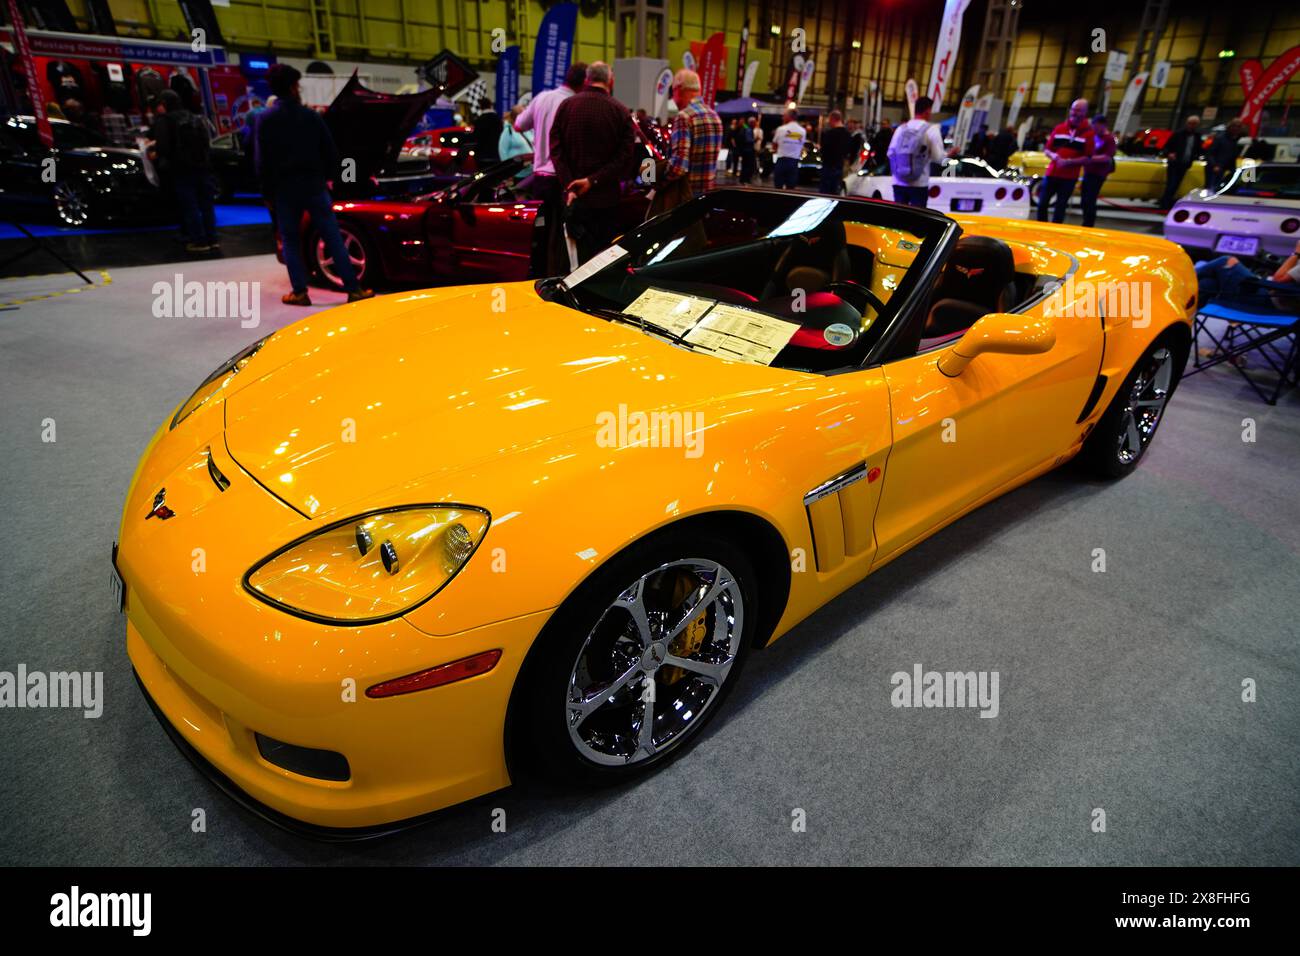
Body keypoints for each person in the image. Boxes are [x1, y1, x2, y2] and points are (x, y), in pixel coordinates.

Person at [257, 63, 373, 305]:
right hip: (314, 186)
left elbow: (262, 161)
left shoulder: (265, 120)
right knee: (332, 235)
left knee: (290, 240)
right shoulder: (310, 117)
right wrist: (330, 179)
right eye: (297, 85)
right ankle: (354, 290)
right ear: (291, 87)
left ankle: (299, 292)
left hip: (284, 190)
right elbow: (331, 152)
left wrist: (267, 193)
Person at [549, 62, 635, 266]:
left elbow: (555, 149)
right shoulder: (620, 111)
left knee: (572, 260)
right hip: (606, 200)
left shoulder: (566, 107)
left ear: (587, 79)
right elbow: (625, 157)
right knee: (603, 259)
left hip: (573, 200)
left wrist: (569, 184)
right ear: (610, 81)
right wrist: (593, 181)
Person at [515, 61, 586, 274]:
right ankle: (561, 277)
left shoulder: (542, 98)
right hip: (563, 178)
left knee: (543, 233)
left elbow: (519, 124)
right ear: (584, 82)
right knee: (564, 236)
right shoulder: (573, 103)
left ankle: (539, 275)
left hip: (539, 179)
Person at [152, 89, 218, 253]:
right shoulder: (195, 118)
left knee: (190, 206)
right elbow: (206, 143)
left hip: (181, 169)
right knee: (206, 205)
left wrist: (156, 154)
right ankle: (212, 238)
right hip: (202, 167)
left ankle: (199, 240)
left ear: (164, 104)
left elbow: (164, 147)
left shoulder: (165, 121)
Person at [665, 69, 723, 201]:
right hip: (706, 198)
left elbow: (678, 167)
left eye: (673, 92)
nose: (673, 99)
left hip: (685, 199)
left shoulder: (684, 116)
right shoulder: (715, 116)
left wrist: (655, 179)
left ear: (679, 89)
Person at [1037, 98, 1093, 223]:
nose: (1074, 112)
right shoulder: (1059, 128)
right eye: (1073, 109)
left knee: (1060, 207)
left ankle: (1055, 234)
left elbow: (1088, 158)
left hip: (1069, 177)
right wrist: (1054, 156)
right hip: (1052, 173)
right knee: (1042, 203)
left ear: (1085, 113)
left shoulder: (1089, 134)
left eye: (1078, 110)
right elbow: (1047, 149)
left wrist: (1069, 162)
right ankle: (1041, 229)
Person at [886, 96, 948, 207]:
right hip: (919, 183)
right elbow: (938, 158)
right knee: (917, 221)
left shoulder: (901, 128)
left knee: (898, 220)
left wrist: (899, 172)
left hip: (898, 182)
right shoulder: (932, 129)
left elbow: (890, 153)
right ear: (928, 110)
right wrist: (949, 155)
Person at [1195, 239, 1300, 304]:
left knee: (1226, 261)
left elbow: (1279, 280)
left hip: (1267, 299)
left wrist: (1296, 253)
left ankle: (1184, 278)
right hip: (1268, 292)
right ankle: (1183, 324)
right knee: (1208, 284)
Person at [1079, 114, 1116, 228]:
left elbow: (1106, 157)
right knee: (1084, 200)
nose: (1094, 128)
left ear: (1103, 125)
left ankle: (1088, 224)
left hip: (1098, 174)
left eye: (1096, 126)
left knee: (1090, 199)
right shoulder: (1093, 136)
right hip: (1088, 171)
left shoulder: (1109, 139)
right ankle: (1086, 221)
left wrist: (1089, 158)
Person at [1160, 114, 1202, 210]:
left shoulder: (1197, 136)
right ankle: (1164, 205)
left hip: (1185, 164)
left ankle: (1168, 203)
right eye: (1191, 123)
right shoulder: (1178, 134)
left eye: (1195, 124)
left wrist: (1195, 156)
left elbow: (1198, 149)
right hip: (1174, 164)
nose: (1192, 126)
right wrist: (1169, 154)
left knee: (1176, 185)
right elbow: (1166, 147)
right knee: (1171, 184)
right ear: (1187, 123)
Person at [818, 109, 852, 195]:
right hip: (839, 166)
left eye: (829, 119)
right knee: (835, 193)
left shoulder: (830, 133)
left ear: (833, 119)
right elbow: (848, 151)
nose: (828, 122)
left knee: (825, 193)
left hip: (828, 167)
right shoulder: (847, 134)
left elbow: (824, 151)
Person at [771, 109, 807, 190]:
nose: (782, 117)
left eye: (784, 116)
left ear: (788, 117)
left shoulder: (781, 129)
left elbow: (774, 146)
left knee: (778, 188)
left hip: (781, 161)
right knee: (791, 189)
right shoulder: (802, 131)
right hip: (794, 162)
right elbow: (801, 146)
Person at [1205, 120, 1244, 193]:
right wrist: (1214, 165)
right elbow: (1210, 153)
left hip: (1226, 168)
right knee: (1211, 189)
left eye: (1238, 127)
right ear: (1230, 127)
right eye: (1234, 126)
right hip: (1216, 168)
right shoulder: (1220, 138)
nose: (1236, 129)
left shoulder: (1234, 139)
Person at [473, 100, 503, 164]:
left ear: (481, 107)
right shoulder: (497, 119)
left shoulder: (479, 120)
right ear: (490, 106)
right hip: (496, 155)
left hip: (482, 156)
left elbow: (476, 138)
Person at [736, 114, 757, 184]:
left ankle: (743, 179)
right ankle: (746, 179)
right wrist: (755, 140)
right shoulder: (748, 129)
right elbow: (748, 140)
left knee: (744, 165)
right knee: (748, 165)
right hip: (748, 151)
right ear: (751, 122)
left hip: (744, 150)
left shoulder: (745, 128)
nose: (755, 124)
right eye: (754, 122)